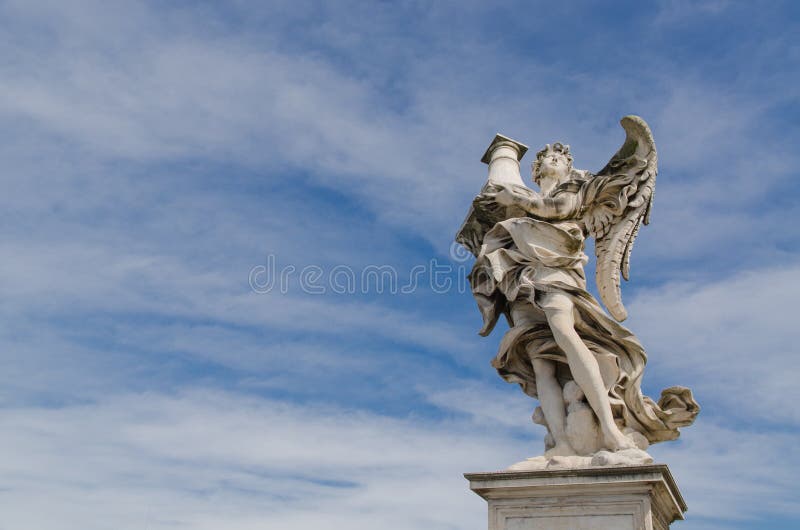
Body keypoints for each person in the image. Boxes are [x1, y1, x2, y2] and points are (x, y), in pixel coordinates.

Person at [469, 142, 693, 455]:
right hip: (519, 277)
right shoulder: (522, 202)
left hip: (555, 271)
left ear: (569, 165)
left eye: (560, 157)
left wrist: (515, 198)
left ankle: (611, 430)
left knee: (565, 333)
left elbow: (558, 210)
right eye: (547, 156)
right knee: (540, 361)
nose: (553, 160)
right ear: (535, 169)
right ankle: (561, 443)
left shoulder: (576, 188)